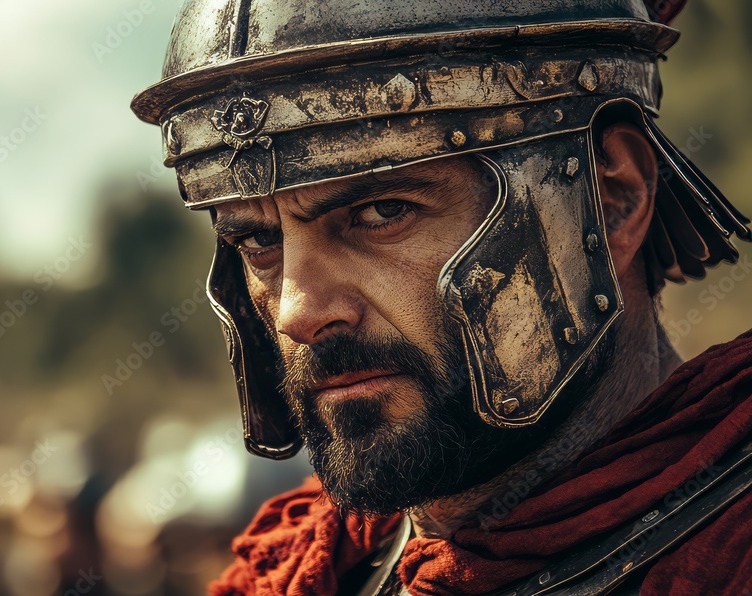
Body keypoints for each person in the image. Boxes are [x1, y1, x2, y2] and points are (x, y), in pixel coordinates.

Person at [131, 0, 752, 593]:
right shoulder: (307, 573)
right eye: (257, 240)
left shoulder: (729, 558)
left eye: (381, 210)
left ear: (610, 198)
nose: (299, 312)